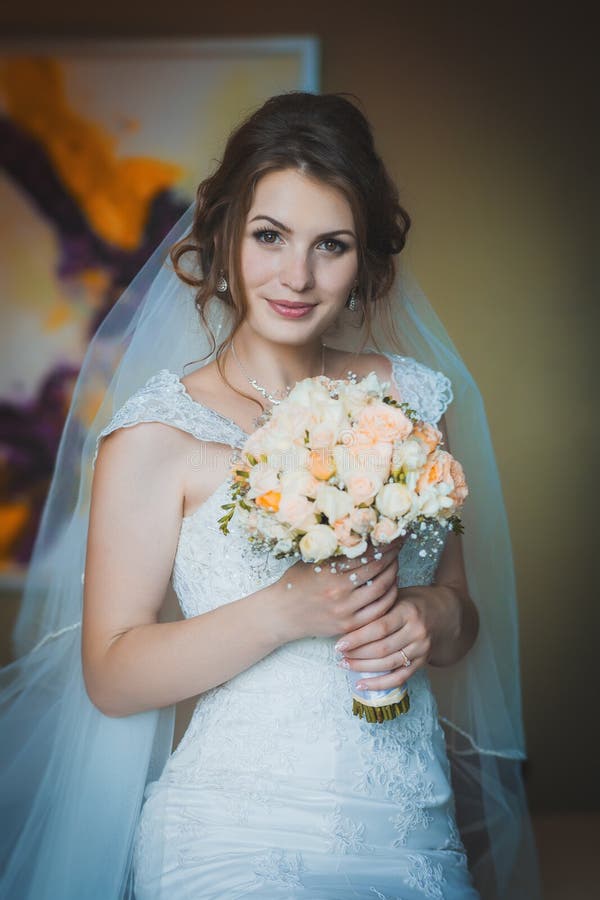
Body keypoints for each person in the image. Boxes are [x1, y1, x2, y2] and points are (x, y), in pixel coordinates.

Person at [0, 92, 541, 899]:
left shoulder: (413, 403)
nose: (297, 276)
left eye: (332, 245)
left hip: (411, 829)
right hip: (229, 834)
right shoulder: (157, 432)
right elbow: (112, 674)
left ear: (366, 261)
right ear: (222, 238)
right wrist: (286, 610)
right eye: (270, 237)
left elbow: (460, 614)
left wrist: (432, 616)